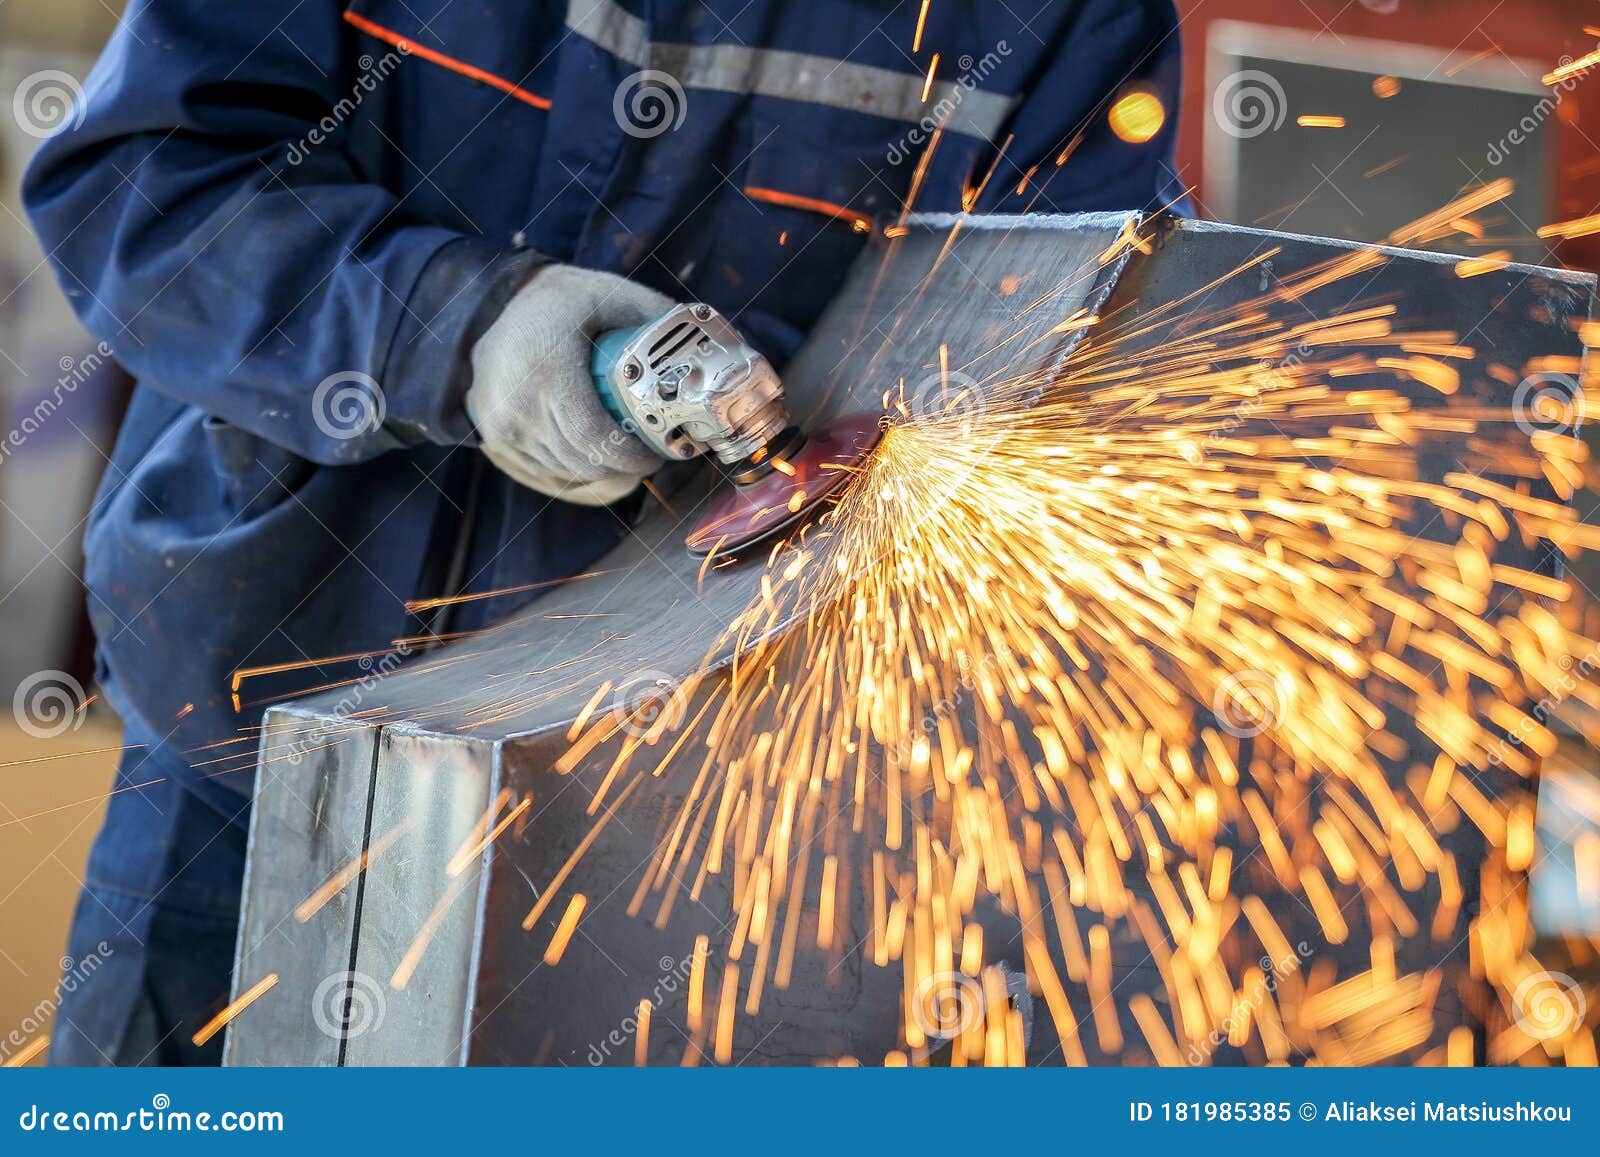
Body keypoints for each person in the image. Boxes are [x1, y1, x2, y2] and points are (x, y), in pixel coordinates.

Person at [24, 0, 1184, 1065]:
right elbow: (141, 182)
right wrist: (458, 326)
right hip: (247, 738)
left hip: (669, 820)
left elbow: (1080, 328)